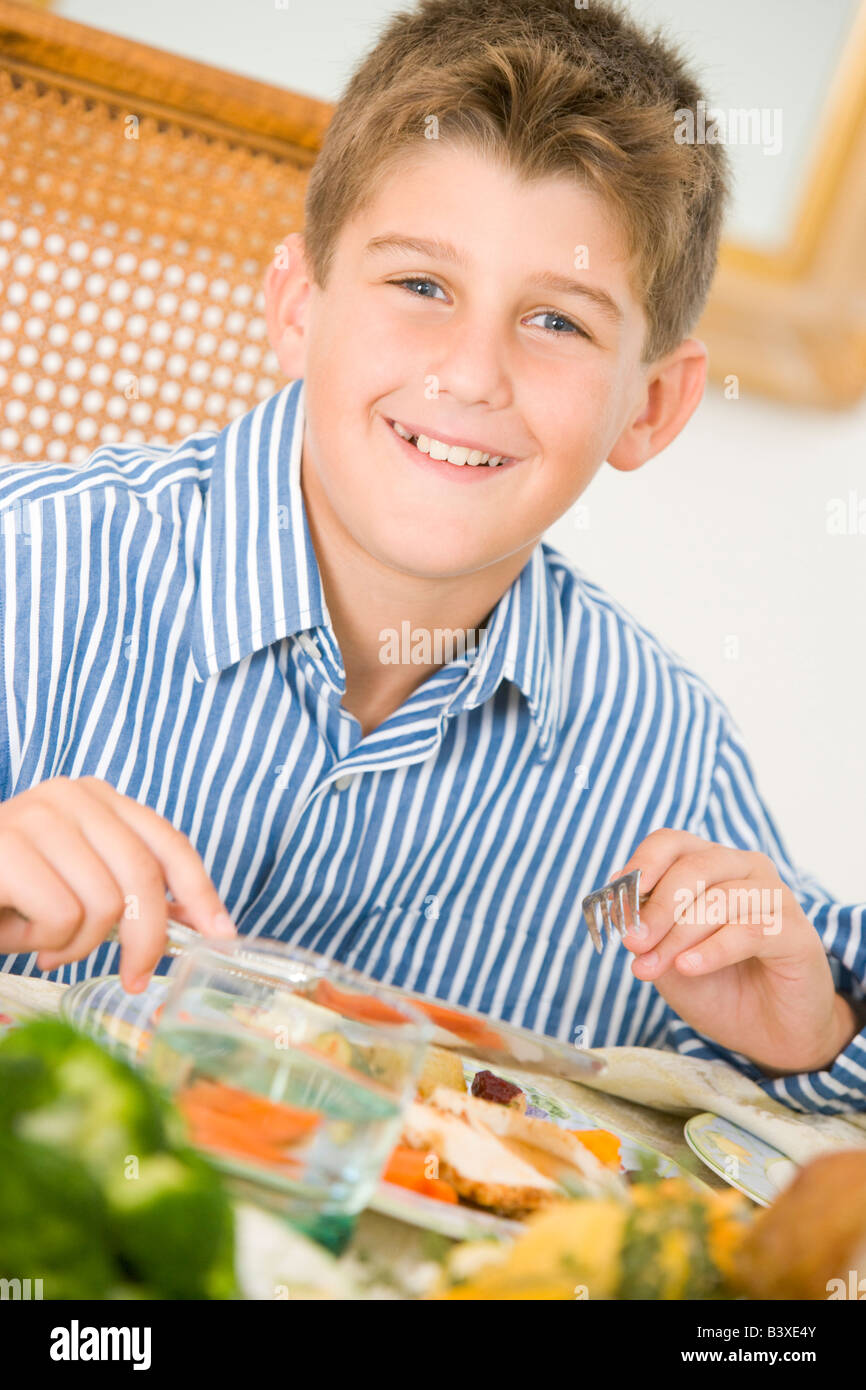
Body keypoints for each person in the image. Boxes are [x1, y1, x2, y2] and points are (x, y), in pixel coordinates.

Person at [0, 0, 863, 1114]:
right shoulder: (31, 572)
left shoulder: (663, 761)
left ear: (650, 404)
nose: (470, 374)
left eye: (556, 321)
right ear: (297, 306)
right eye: (420, 286)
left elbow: (816, 995)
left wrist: (816, 1043)